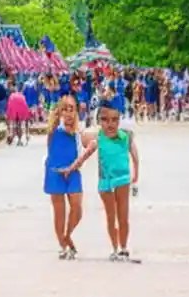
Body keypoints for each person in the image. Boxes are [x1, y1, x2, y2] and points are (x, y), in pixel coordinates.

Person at [63, 104, 139, 261]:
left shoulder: (126, 137)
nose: (110, 124)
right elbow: (83, 157)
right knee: (111, 217)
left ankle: (124, 248)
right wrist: (70, 169)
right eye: (105, 120)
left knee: (123, 216)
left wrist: (136, 175)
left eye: (114, 120)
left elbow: (135, 157)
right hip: (105, 183)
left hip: (122, 179)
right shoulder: (98, 140)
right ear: (99, 121)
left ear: (119, 121)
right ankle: (115, 248)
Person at [44, 96, 85, 259]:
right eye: (65, 109)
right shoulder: (55, 128)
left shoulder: (78, 132)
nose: (69, 113)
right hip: (55, 172)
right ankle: (63, 245)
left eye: (72, 109)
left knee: (77, 207)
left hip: (73, 171)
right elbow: (49, 145)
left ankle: (67, 235)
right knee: (59, 212)